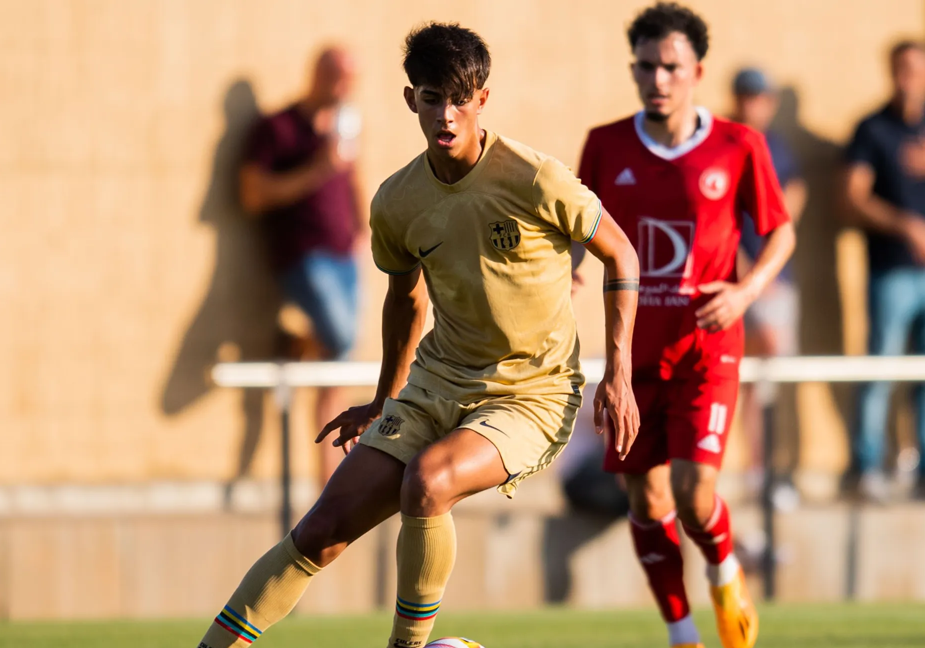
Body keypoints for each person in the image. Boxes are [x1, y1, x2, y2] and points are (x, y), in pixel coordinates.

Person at [196, 22, 642, 648]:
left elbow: (622, 255)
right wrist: (384, 399)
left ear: (483, 98)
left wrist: (619, 374)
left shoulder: (536, 178)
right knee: (321, 530)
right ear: (412, 99)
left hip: (530, 394)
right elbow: (405, 301)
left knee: (428, 482)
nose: (446, 115)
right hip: (435, 386)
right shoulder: (397, 202)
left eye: (460, 100)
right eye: (432, 98)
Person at [578, 4, 795, 648]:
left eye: (671, 66)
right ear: (634, 70)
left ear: (697, 71)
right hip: (632, 357)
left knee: (695, 496)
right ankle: (682, 634)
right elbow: (576, 228)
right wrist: (568, 272)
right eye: (646, 66)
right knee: (646, 502)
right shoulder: (605, 144)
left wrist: (746, 292)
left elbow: (780, 231)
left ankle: (724, 568)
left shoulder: (738, 144)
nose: (658, 79)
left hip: (707, 348)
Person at [842, 40, 925, 503]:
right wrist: (907, 225)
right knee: (880, 372)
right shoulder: (872, 128)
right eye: (901, 69)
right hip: (891, 271)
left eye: (916, 70)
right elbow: (851, 198)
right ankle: (866, 469)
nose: (907, 78)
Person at [238, 46, 363, 483]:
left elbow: (353, 177)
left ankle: (332, 485)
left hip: (346, 258)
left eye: (350, 80)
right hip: (303, 257)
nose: (344, 88)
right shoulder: (278, 128)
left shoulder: (345, 126)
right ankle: (335, 485)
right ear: (317, 74)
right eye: (337, 77)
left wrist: (364, 230)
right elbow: (252, 195)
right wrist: (316, 169)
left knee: (337, 369)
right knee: (341, 340)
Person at [730, 67, 809, 509]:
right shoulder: (724, 144)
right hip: (735, 284)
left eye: (758, 97)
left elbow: (789, 211)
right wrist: (747, 275)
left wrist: (764, 273)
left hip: (773, 284)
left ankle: (774, 474)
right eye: (745, 95)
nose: (751, 104)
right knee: (745, 382)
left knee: (774, 381)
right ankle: (757, 473)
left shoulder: (778, 149)